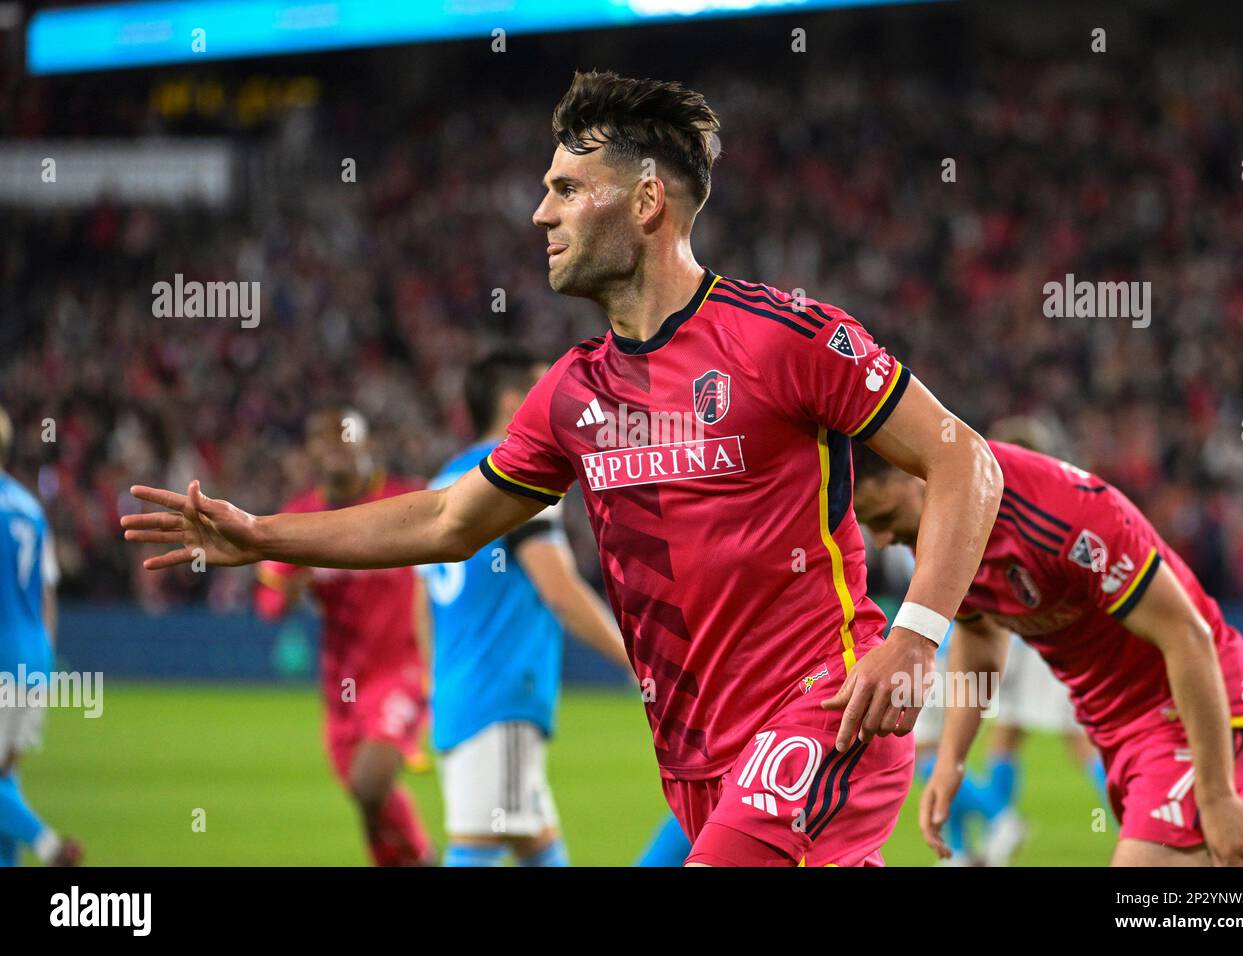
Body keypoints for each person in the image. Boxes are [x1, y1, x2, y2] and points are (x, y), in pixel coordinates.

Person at [122, 70, 1003, 866]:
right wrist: (263, 533)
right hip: (695, 753)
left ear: (648, 201)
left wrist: (915, 637)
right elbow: (444, 522)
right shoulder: (573, 393)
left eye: (568, 189)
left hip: (824, 709)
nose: (541, 214)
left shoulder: (786, 337)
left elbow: (967, 462)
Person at [851, 438, 1243, 866]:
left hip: (1191, 715)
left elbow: (1188, 636)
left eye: (886, 517)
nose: (885, 539)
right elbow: (980, 641)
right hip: (1116, 733)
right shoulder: (942, 530)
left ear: (919, 474)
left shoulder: (1062, 517)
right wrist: (953, 760)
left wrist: (1215, 795)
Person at [423, 349, 630, 867]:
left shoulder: (444, 480)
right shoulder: (514, 477)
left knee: (537, 842)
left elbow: (417, 598)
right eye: (548, 390)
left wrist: (434, 682)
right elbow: (558, 589)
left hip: (459, 693)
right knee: (477, 848)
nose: (562, 402)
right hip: (502, 694)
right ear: (517, 401)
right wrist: (637, 658)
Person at [253, 407, 434, 866]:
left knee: (371, 782)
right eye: (323, 442)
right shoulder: (300, 515)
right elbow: (270, 602)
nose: (335, 451)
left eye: (345, 440)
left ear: (367, 446)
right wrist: (293, 590)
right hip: (341, 685)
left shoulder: (405, 500)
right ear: (311, 453)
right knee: (364, 796)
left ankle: (424, 857)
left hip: (402, 670)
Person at [0, 406, 80, 866]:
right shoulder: (29, 507)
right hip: (32, 652)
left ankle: (48, 845)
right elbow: (47, 593)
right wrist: (44, 657)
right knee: (4, 778)